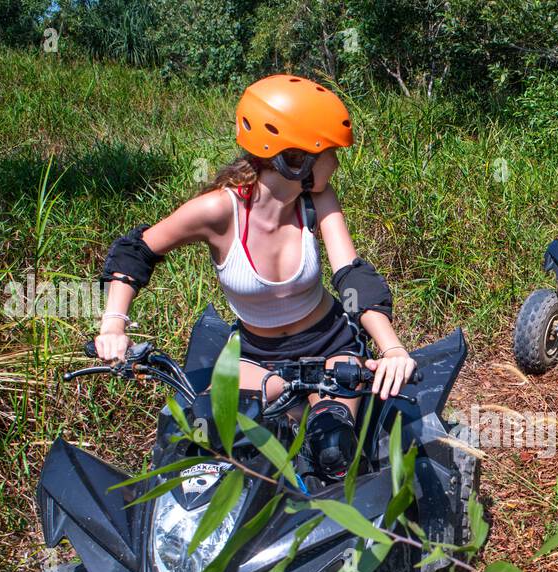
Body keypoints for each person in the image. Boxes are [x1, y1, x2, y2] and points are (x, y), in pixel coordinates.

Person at [92, 75, 416, 482]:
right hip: (256, 355)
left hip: (331, 346)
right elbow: (137, 251)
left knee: (332, 449)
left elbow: (352, 277)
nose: (336, 161)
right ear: (295, 158)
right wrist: (113, 325)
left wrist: (391, 348)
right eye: (329, 151)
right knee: (203, 441)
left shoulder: (317, 198)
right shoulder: (217, 211)